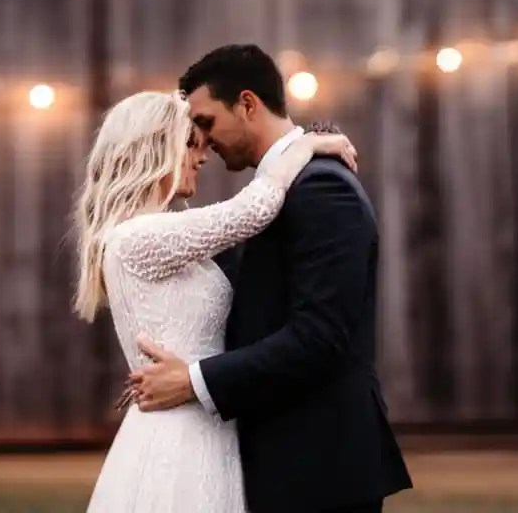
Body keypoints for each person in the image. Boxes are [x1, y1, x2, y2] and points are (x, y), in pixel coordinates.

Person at [125, 44, 413, 512]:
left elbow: (319, 336)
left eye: (206, 121)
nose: (201, 141)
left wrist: (194, 380)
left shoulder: (322, 189)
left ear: (247, 104)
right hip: (287, 462)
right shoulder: (277, 193)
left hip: (320, 467)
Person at [75, 87, 358, 512]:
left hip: (203, 425)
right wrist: (305, 145)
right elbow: (255, 209)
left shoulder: (155, 233)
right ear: (153, 150)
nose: (202, 156)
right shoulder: (139, 237)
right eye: (190, 144)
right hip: (181, 439)